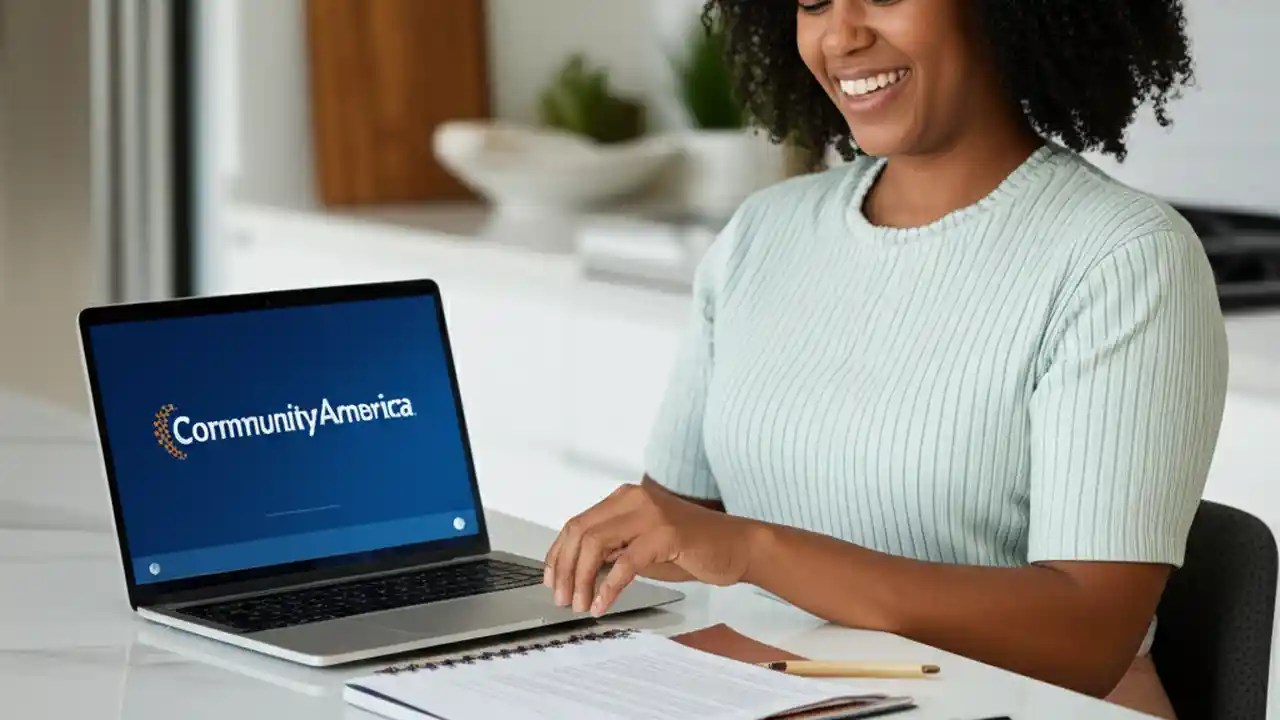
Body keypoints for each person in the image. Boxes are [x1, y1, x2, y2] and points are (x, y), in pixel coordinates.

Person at [543, 1, 1227, 716]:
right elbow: (676, 536)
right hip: (790, 697)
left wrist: (756, 551)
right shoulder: (761, 234)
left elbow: (1089, 636)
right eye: (813, 1)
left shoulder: (1123, 258)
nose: (842, 35)